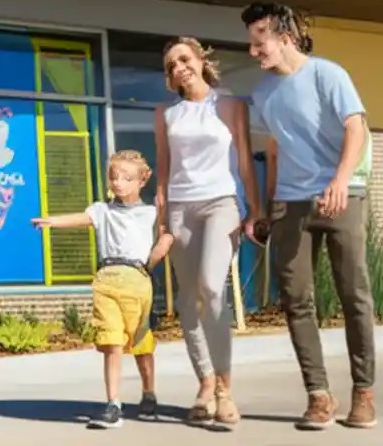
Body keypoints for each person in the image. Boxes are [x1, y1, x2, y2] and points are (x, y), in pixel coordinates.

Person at [241, 1, 376, 431]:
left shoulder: (327, 74)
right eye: (251, 43)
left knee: (353, 293)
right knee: (295, 299)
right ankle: (319, 395)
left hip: (342, 194)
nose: (254, 51)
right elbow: (276, 150)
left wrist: (340, 179)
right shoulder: (263, 94)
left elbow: (355, 127)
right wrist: (265, 208)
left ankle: (364, 391)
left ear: (285, 37)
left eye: (259, 41)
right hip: (292, 202)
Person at [153, 37, 261, 429]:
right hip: (181, 208)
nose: (178, 67)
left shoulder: (230, 106)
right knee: (188, 298)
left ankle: (225, 390)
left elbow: (246, 163)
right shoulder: (166, 114)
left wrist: (256, 209)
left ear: (201, 60)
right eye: (170, 66)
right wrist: (162, 220)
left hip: (222, 203)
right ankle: (205, 383)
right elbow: (163, 172)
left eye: (184, 59)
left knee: (212, 288)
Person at [33, 150, 174, 430]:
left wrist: (154, 259)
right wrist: (51, 221)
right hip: (106, 279)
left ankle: (148, 392)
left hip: (137, 279)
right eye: (114, 177)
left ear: (141, 181)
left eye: (126, 178)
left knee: (141, 344)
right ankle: (113, 404)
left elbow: (167, 236)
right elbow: (79, 218)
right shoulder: (101, 210)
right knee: (112, 342)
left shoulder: (151, 213)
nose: (119, 183)